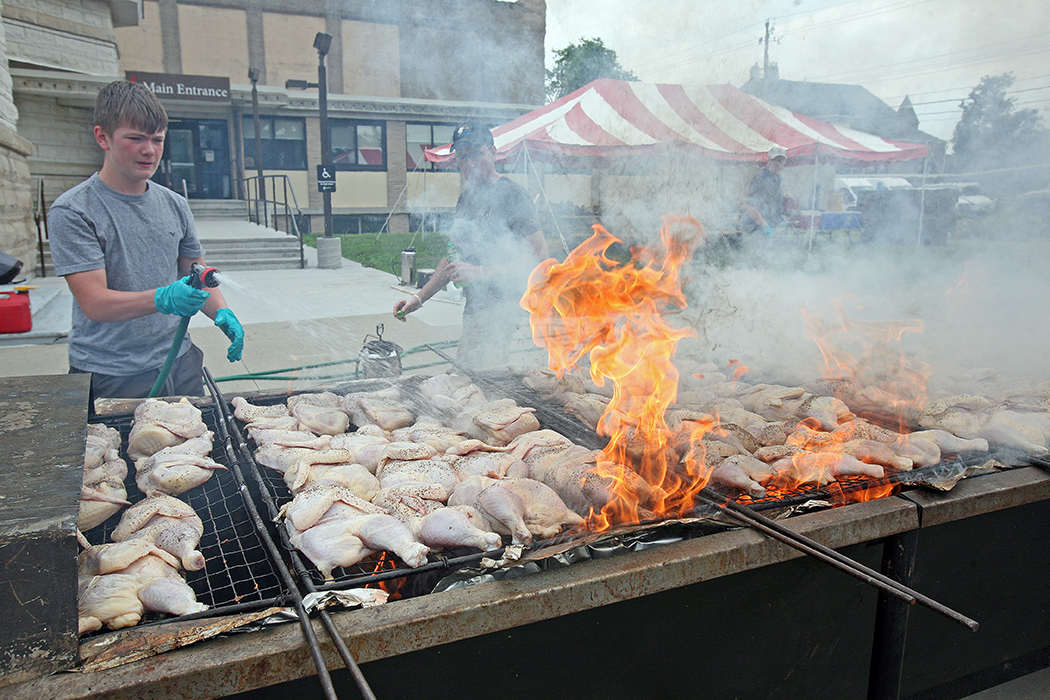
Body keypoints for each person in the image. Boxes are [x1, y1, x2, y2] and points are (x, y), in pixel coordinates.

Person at [47, 80, 244, 402]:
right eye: (136, 139)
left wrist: (222, 312)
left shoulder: (174, 203)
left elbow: (195, 272)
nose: (149, 150)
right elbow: (94, 303)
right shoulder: (73, 210)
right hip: (111, 372)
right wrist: (163, 298)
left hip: (179, 360)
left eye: (157, 139)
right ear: (103, 137)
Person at [393, 123, 548, 368]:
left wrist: (481, 272)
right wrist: (419, 298)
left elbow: (538, 256)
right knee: (477, 377)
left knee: (472, 375)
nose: (470, 163)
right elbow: (453, 258)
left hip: (506, 308)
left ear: (493, 153)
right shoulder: (466, 198)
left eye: (476, 154)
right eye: (462, 158)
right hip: (476, 308)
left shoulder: (513, 195)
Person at [742, 145, 788, 236]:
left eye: (781, 161)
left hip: (771, 228)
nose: (778, 164)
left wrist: (779, 216)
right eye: (775, 160)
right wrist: (764, 224)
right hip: (755, 230)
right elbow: (749, 206)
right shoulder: (761, 179)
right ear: (769, 161)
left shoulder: (777, 179)